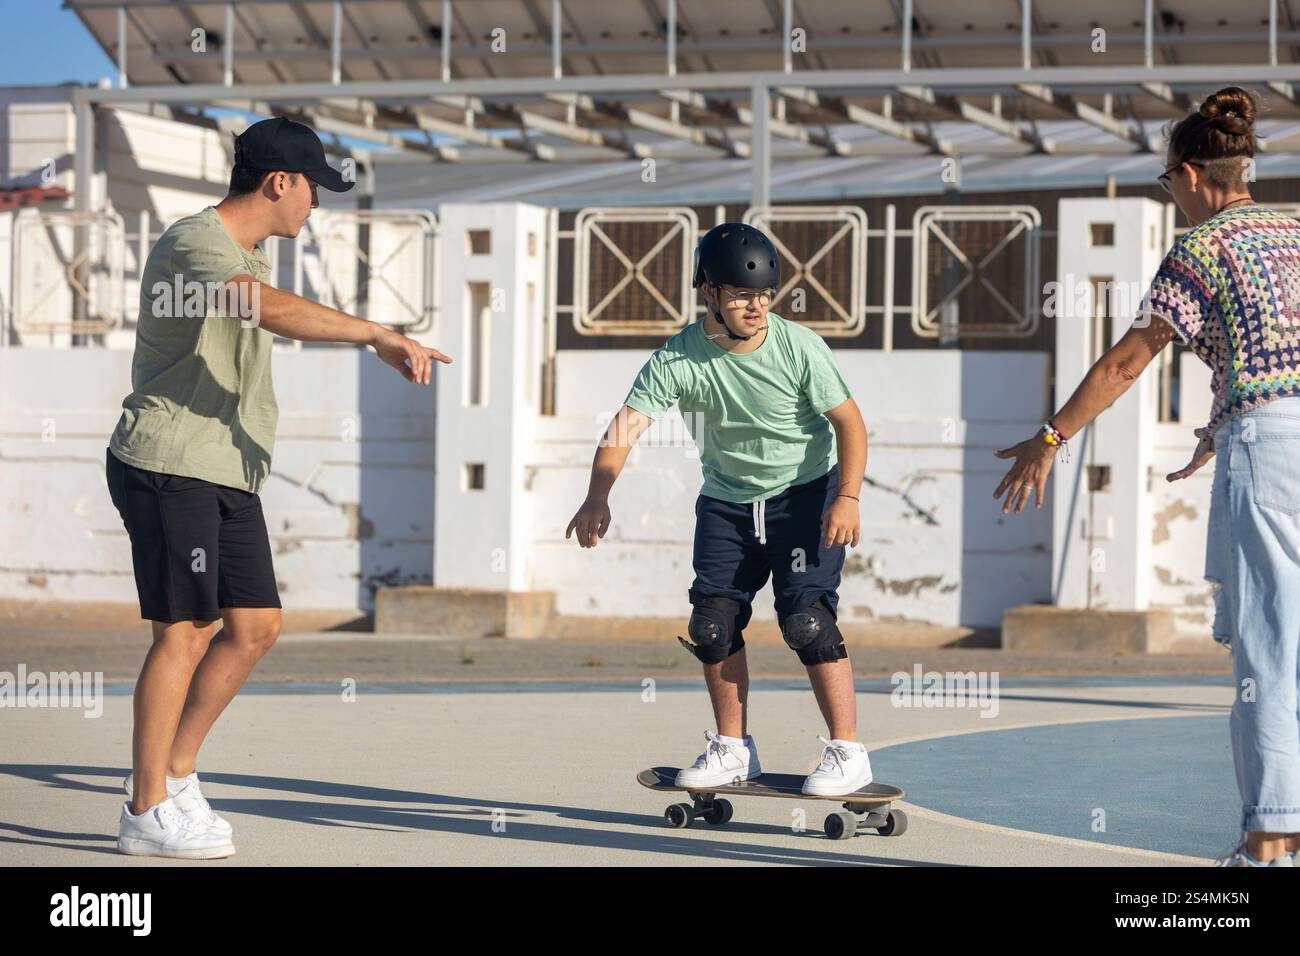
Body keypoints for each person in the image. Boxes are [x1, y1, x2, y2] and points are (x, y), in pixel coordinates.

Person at [106, 117, 451, 858]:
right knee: (186, 631)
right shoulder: (196, 244)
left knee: (255, 627)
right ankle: (143, 810)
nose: (315, 207)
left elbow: (266, 306)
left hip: (227, 467)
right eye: (314, 191)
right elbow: (265, 312)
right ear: (280, 182)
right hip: (171, 463)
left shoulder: (251, 256)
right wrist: (377, 333)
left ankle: (176, 773)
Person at [994, 86, 1300, 867]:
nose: (1171, 196)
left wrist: (1051, 435)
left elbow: (1129, 360)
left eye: (1167, 182)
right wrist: (1224, 418)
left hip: (1268, 452)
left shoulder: (1203, 248)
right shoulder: (1297, 231)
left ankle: (1270, 845)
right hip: (1262, 431)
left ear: (1193, 175)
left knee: (1270, 651)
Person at [565, 222, 872, 794]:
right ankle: (733, 750)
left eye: (762, 294)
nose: (754, 306)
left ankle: (847, 753)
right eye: (739, 294)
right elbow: (624, 431)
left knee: (807, 622)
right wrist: (597, 495)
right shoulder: (678, 357)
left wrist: (848, 497)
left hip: (806, 495)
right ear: (708, 291)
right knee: (712, 623)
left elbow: (850, 425)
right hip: (727, 504)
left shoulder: (799, 347)